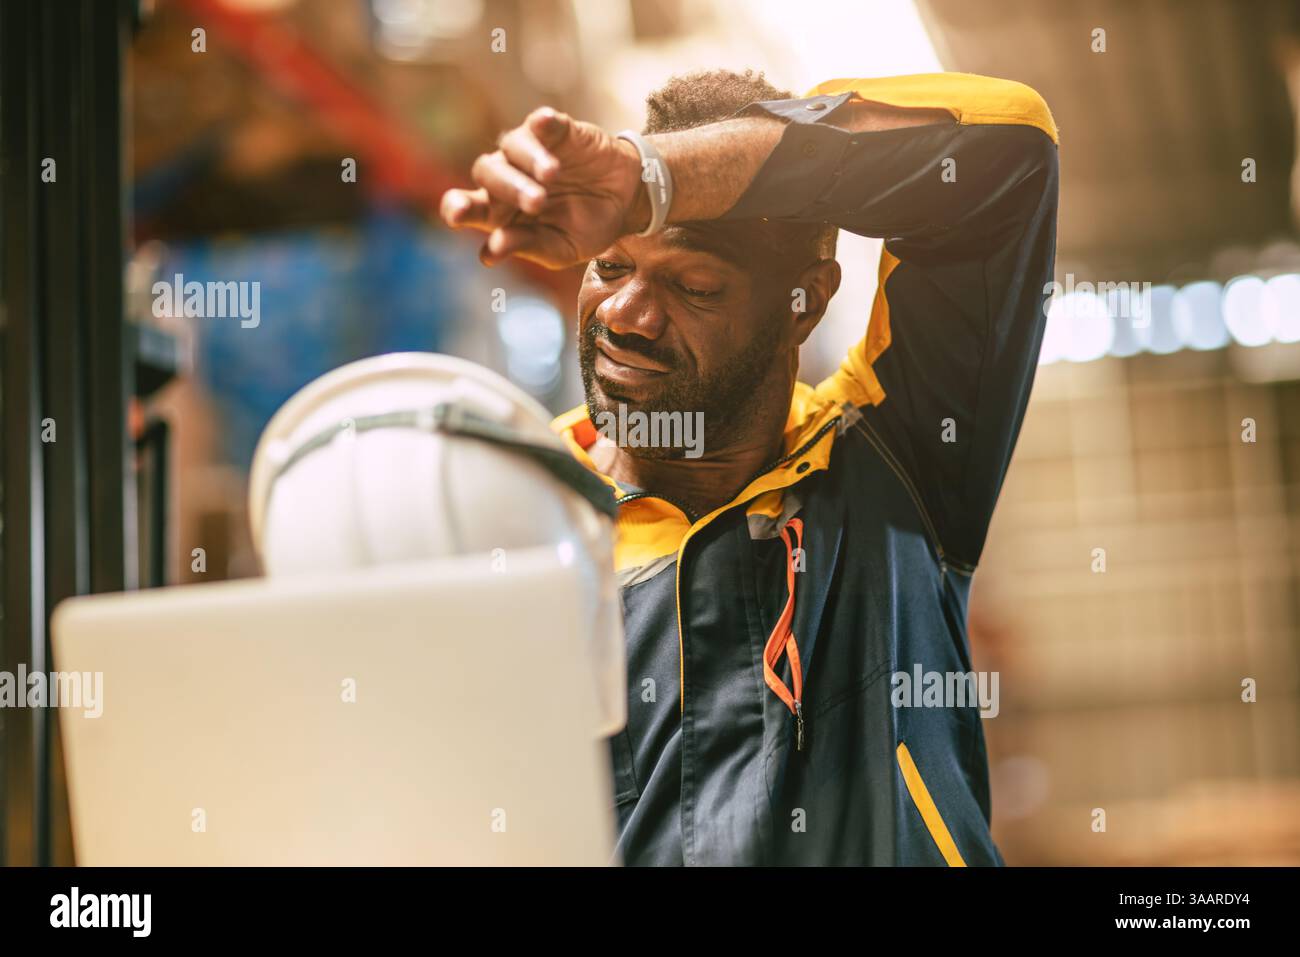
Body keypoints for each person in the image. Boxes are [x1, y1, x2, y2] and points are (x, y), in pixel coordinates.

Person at [439, 68, 1059, 865]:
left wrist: (654, 178)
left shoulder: (895, 463)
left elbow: (1008, 149)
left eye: (694, 285)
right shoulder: (523, 516)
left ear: (807, 300)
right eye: (610, 266)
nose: (626, 316)